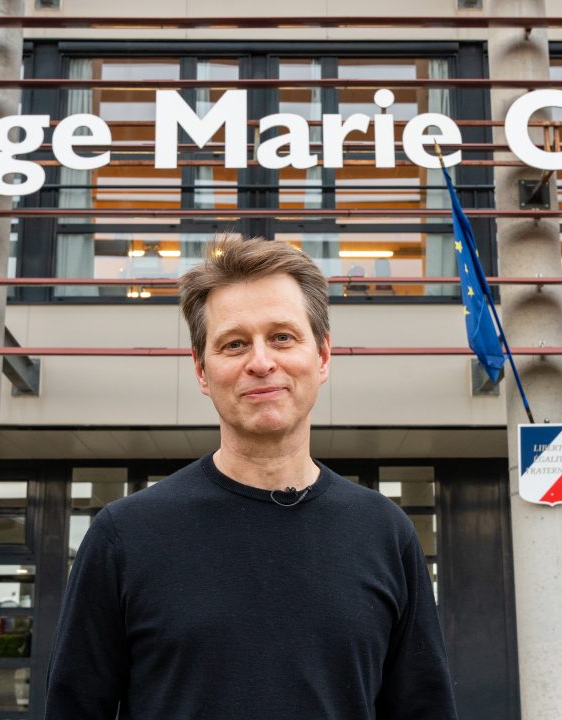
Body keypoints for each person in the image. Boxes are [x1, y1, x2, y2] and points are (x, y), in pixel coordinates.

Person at [44, 236, 458, 719]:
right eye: (234, 344)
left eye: (282, 337)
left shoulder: (385, 534)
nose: (261, 362)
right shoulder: (125, 536)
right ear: (201, 370)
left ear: (322, 357)